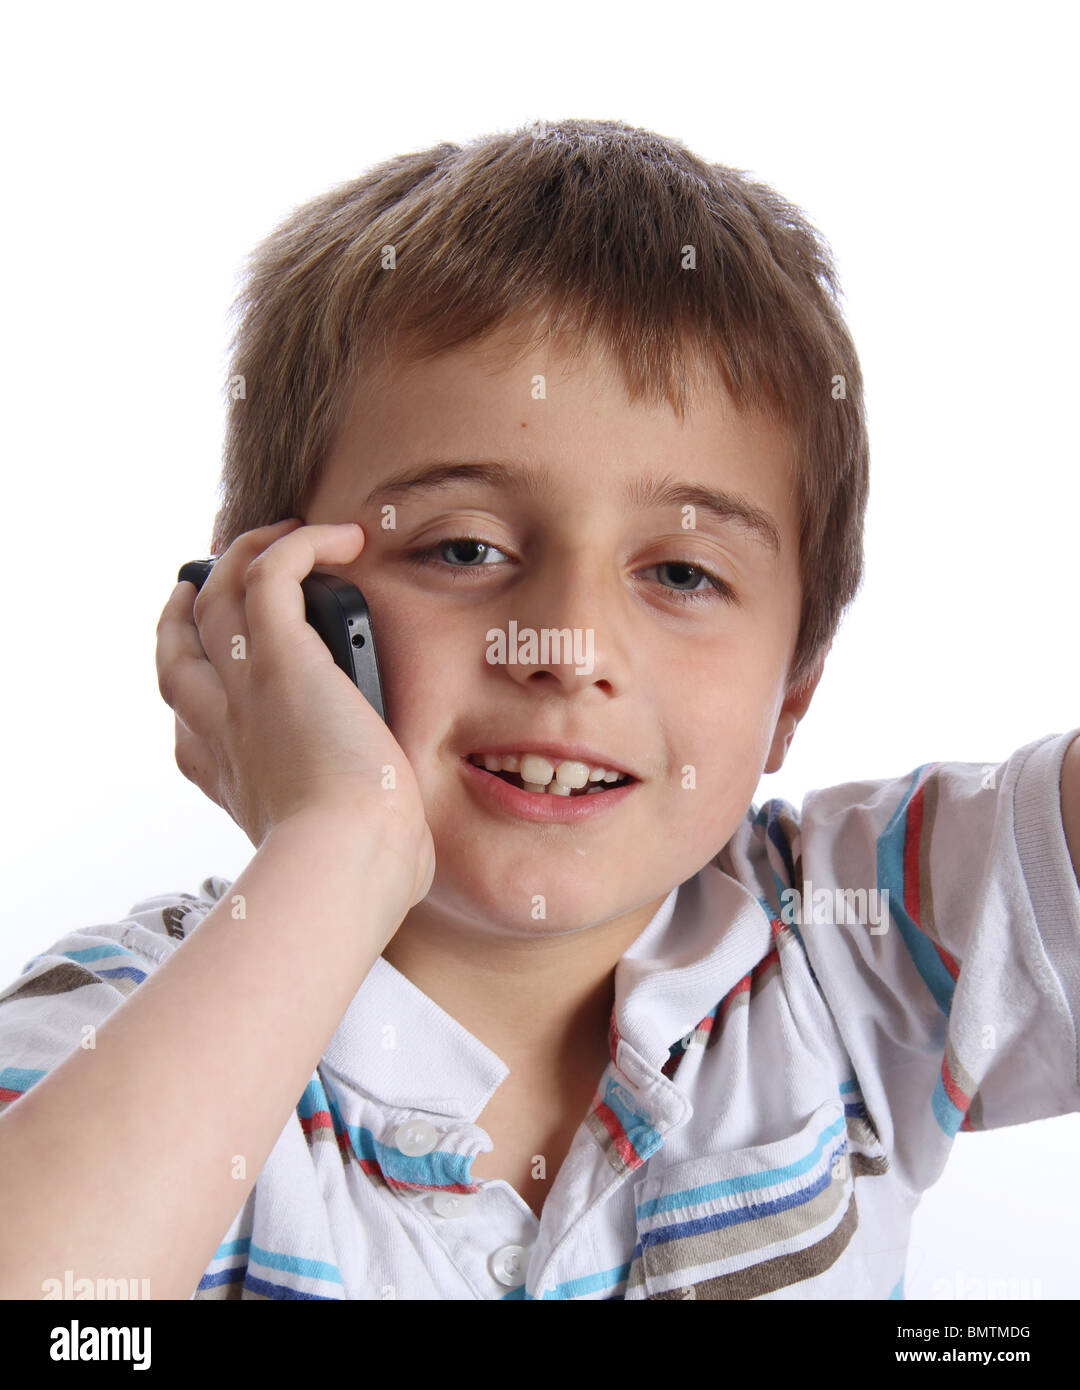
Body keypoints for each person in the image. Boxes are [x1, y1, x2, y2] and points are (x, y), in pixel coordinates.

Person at [2, 118, 1078, 1302]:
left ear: (794, 694)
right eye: (465, 547)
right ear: (271, 618)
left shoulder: (851, 949)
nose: (567, 649)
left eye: (680, 573)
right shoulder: (121, 1032)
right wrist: (334, 847)